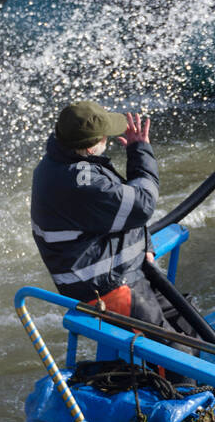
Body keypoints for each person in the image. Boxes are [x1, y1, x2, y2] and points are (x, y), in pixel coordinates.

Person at [31, 100, 182, 329]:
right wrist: (140, 151)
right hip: (106, 288)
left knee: (186, 320)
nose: (107, 139)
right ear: (92, 146)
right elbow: (143, 204)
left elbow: (115, 216)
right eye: (105, 136)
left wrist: (145, 246)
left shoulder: (60, 160)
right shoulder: (83, 181)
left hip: (119, 274)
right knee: (173, 355)